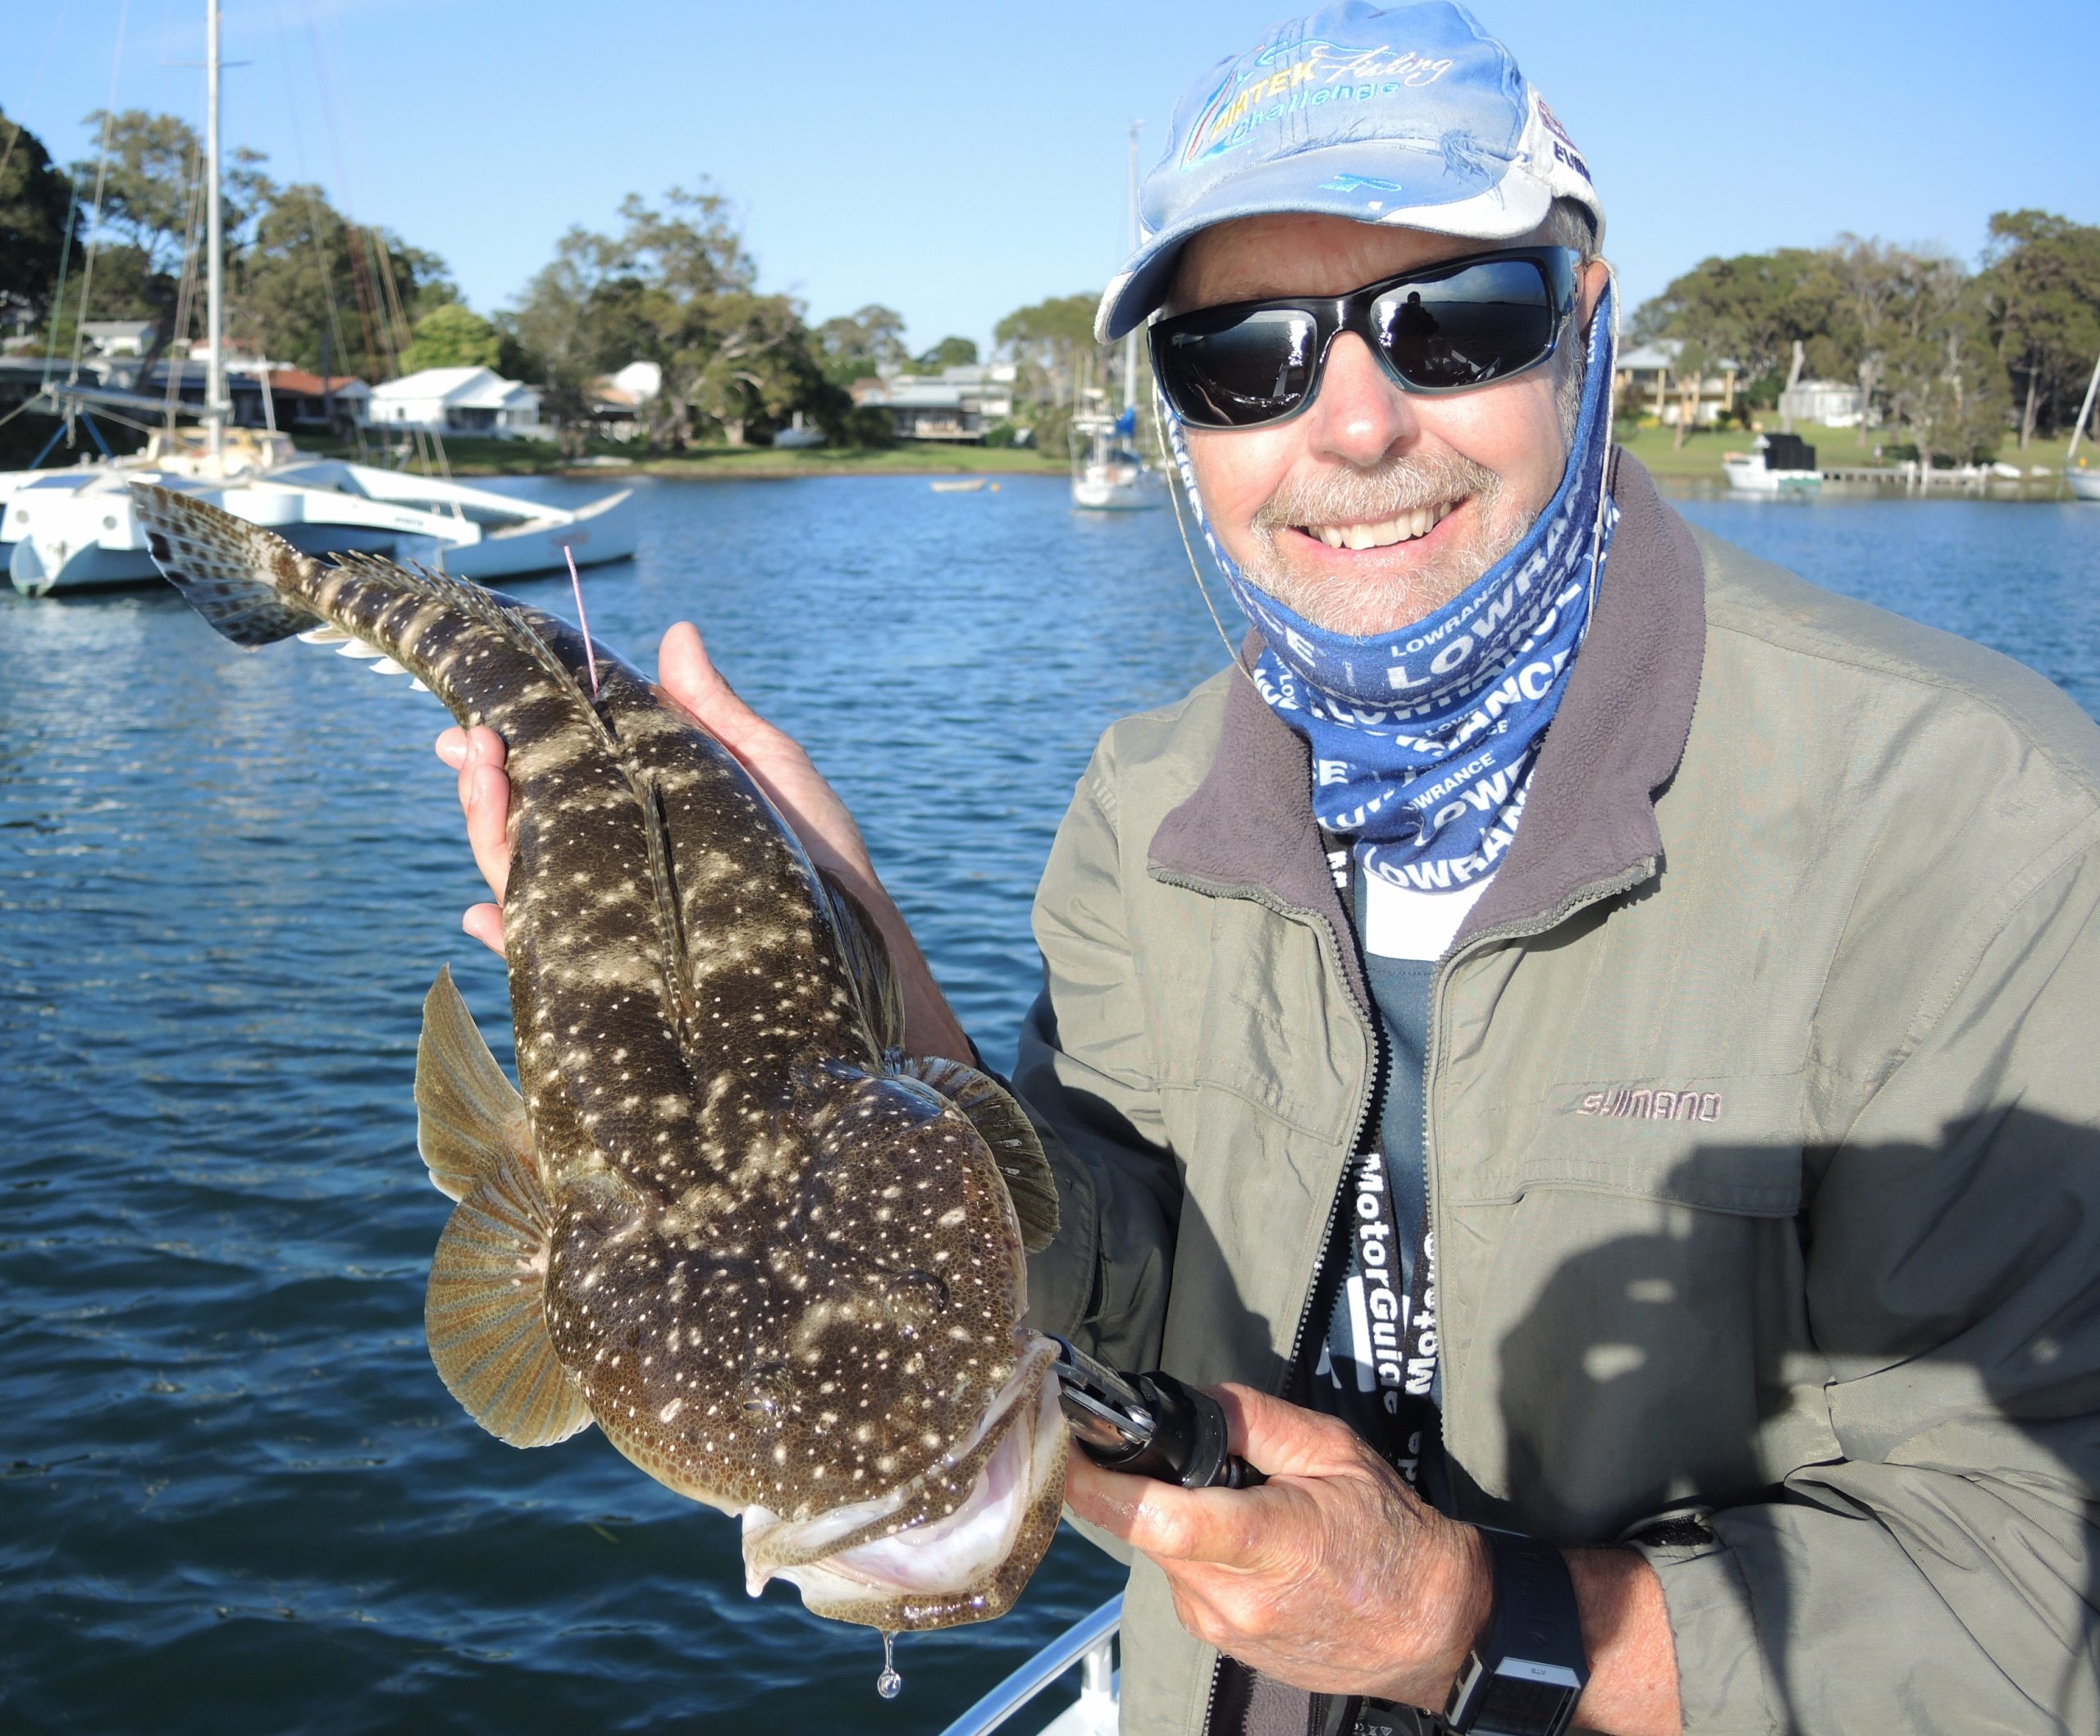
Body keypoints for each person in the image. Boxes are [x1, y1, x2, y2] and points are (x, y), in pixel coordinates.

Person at [436, 5, 2100, 1733]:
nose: (1355, 424)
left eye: (1456, 321)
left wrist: (1474, 1618)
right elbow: (1135, 1279)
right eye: (1243, 355)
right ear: (1176, 416)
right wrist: (875, 1009)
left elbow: (2049, 1582)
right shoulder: (1145, 801)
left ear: (1585, 322)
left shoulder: (1976, 823)